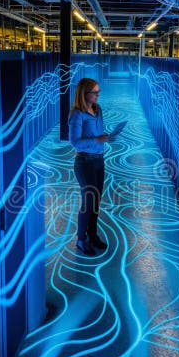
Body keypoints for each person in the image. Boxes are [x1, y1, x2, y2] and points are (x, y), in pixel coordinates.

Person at [68, 78, 109, 256]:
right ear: (85, 93)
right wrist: (97, 140)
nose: (97, 95)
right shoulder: (77, 115)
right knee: (88, 201)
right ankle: (81, 240)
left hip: (99, 160)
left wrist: (105, 137)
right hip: (84, 162)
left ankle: (92, 235)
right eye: (94, 92)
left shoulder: (98, 110)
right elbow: (75, 142)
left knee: (96, 201)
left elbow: (97, 134)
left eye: (98, 92)